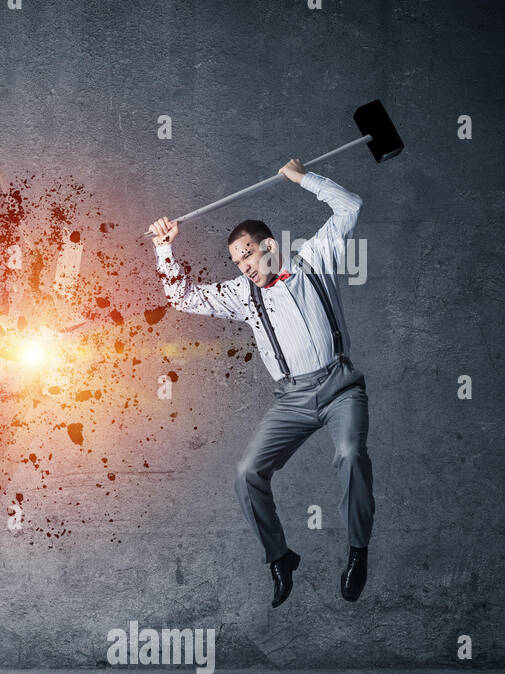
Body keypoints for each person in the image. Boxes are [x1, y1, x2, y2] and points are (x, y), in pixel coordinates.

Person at [147, 159, 373, 608]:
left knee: (349, 454)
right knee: (246, 473)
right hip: (291, 400)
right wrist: (164, 249)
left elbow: (349, 207)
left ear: (269, 245)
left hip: (340, 387)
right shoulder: (242, 296)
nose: (245, 266)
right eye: (237, 261)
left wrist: (302, 178)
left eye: (248, 254)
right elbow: (182, 296)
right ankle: (280, 557)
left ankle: (358, 550)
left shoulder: (314, 260)